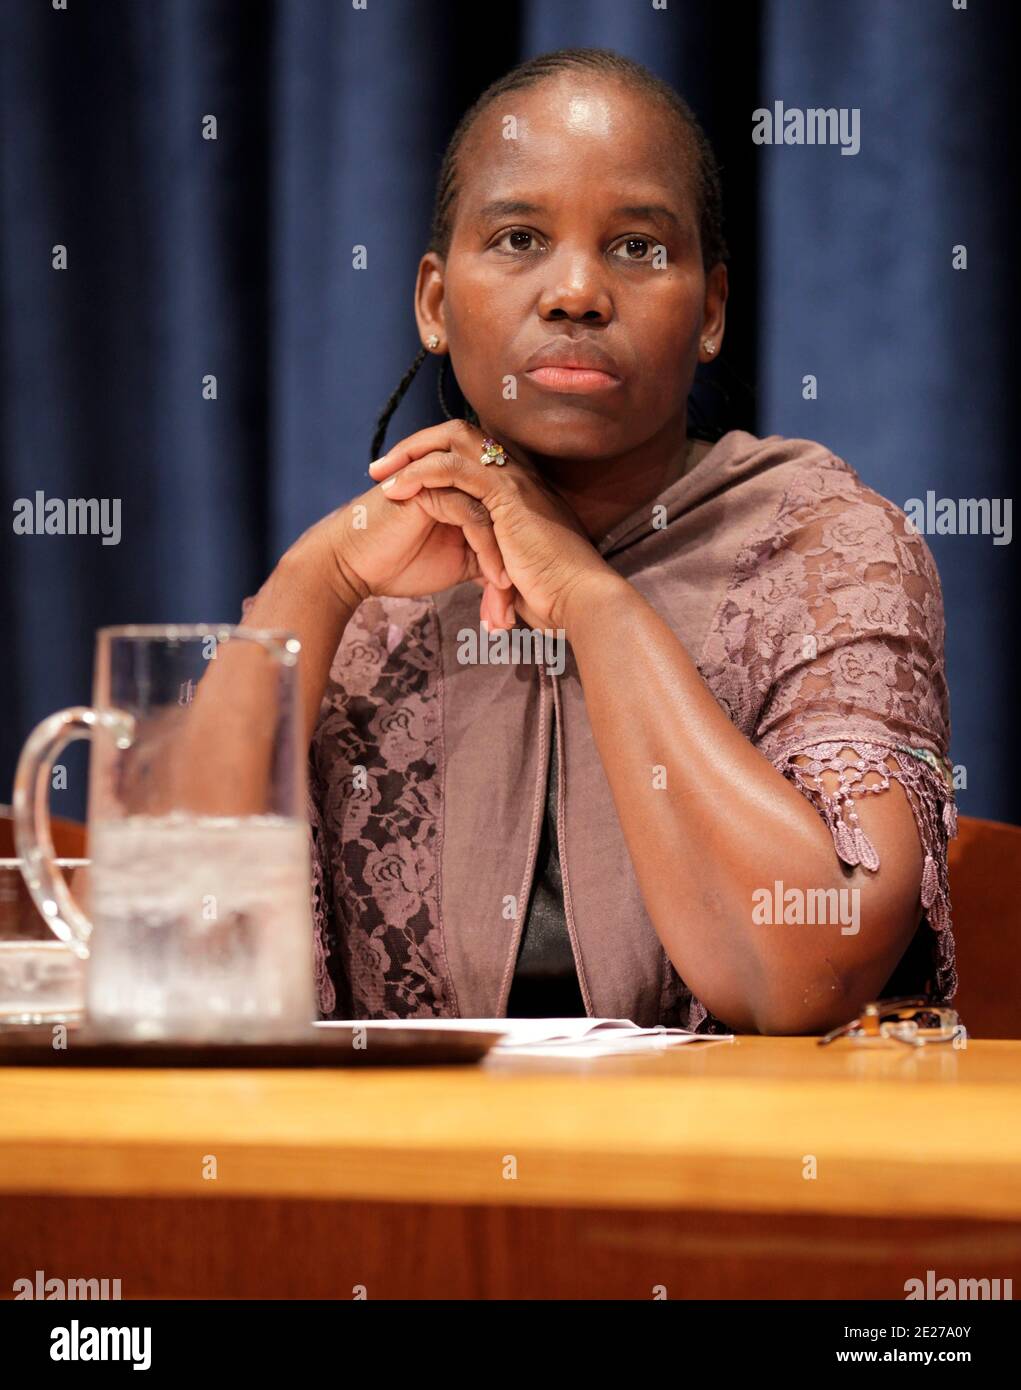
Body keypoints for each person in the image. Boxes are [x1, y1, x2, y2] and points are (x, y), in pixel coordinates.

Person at [241, 48, 957, 1034]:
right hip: (398, 1173)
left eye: (636, 248)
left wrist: (588, 597)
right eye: (520, 236)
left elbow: (803, 971)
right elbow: (173, 951)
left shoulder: (824, 548)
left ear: (709, 311)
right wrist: (309, 584)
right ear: (434, 303)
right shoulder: (372, 583)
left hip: (728, 1172)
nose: (575, 291)